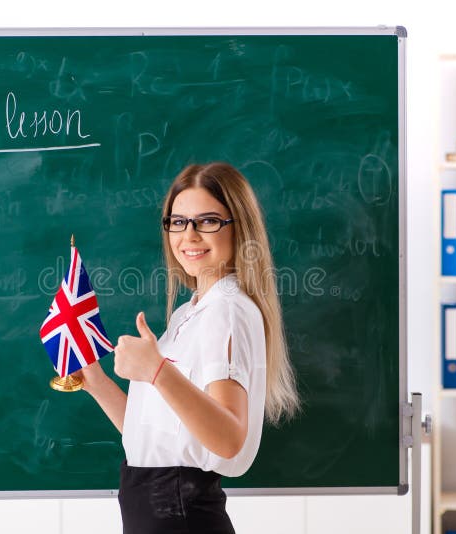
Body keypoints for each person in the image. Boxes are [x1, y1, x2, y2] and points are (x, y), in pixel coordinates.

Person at [76, 162, 300, 533]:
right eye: (178, 222)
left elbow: (228, 438)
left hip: (179, 515)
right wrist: (96, 382)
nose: (189, 235)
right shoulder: (190, 312)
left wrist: (158, 372)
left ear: (238, 227)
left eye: (208, 221)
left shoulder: (227, 311)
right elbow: (153, 436)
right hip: (155, 510)